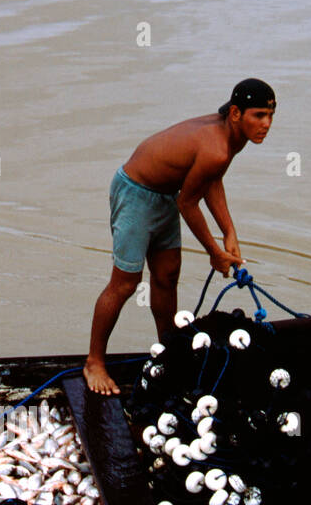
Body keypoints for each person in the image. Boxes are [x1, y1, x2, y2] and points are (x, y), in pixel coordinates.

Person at [85, 78, 277, 395]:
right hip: (135, 194)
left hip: (165, 195)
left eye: (271, 115)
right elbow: (188, 202)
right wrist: (214, 252)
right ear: (235, 113)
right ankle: (94, 361)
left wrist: (229, 232)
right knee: (126, 283)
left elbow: (210, 181)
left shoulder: (232, 139)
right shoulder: (216, 145)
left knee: (167, 275)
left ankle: (168, 352)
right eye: (258, 115)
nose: (266, 124)